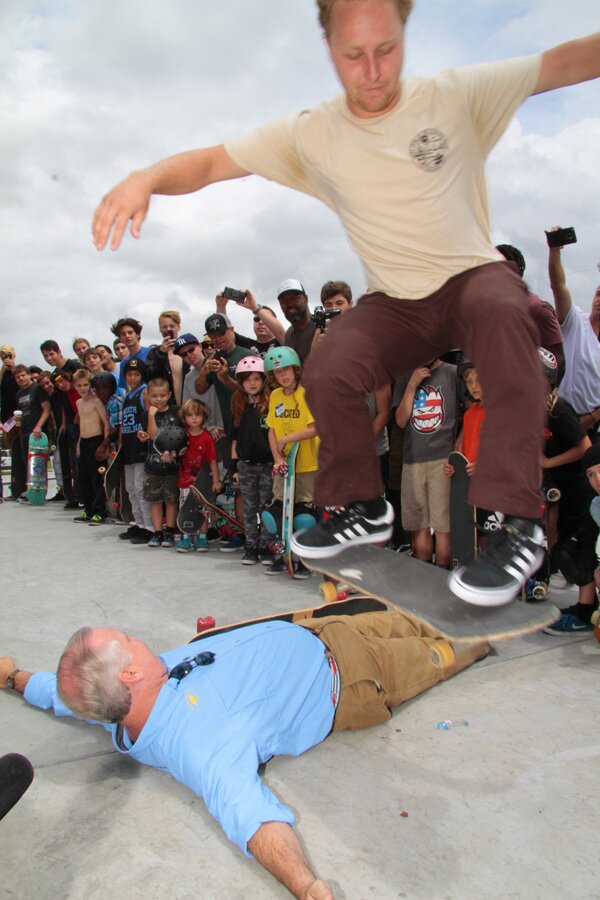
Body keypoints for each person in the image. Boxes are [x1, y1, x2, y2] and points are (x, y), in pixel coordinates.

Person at [91, 0, 600, 607]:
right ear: (329, 49)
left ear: (406, 35)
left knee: (503, 310)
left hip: (471, 277)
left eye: (386, 50)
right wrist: (145, 177)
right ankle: (362, 505)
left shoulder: (456, 95)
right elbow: (212, 161)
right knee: (331, 365)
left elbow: (565, 61)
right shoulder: (312, 133)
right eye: (354, 56)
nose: (373, 71)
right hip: (396, 304)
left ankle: (516, 526)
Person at [0, 609, 488, 898]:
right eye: (128, 641)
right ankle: (494, 629)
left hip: (328, 630)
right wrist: (307, 886)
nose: (137, 638)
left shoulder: (119, 698)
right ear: (127, 675)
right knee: (459, 644)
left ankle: (472, 604)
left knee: (422, 614)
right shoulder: (198, 744)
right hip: (358, 676)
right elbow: (250, 818)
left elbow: (56, 693)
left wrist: (10, 677)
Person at [394, 358, 459, 567]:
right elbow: (401, 420)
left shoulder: (452, 373)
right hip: (413, 459)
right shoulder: (405, 375)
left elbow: (471, 409)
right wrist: (412, 384)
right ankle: (424, 576)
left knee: (443, 526)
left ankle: (442, 575)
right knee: (418, 524)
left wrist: (458, 448)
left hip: (442, 458)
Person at [263, 347, 319, 578]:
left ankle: (304, 561)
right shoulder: (275, 396)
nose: (283, 375)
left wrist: (286, 439)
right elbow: (272, 429)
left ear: (295, 370)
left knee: (303, 516)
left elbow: (314, 428)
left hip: (307, 464)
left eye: (287, 370)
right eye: (278, 372)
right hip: (284, 465)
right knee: (277, 512)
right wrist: (277, 458)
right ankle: (281, 555)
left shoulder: (307, 393)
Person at [547, 228, 600, 438]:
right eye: (598, 293)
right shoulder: (574, 321)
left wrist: (594, 418)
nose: (599, 299)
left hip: (592, 425)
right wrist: (555, 251)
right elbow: (558, 286)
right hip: (559, 418)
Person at [230, 356, 274, 565]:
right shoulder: (238, 405)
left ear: (264, 379)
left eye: (256, 378)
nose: (252, 383)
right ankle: (250, 546)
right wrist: (233, 468)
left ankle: (266, 546)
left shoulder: (271, 402)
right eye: (247, 379)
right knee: (249, 507)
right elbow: (234, 439)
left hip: (268, 464)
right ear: (241, 382)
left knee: (266, 506)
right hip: (245, 465)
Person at [137, 377, 187, 548]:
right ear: (148, 396)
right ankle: (157, 532)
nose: (158, 399)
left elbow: (182, 437)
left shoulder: (177, 412)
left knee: (171, 499)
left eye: (162, 395)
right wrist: (151, 415)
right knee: (155, 500)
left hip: (172, 466)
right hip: (152, 466)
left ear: (169, 395)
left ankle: (170, 531)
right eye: (154, 396)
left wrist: (174, 454)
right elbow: (151, 435)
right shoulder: (147, 414)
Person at [176, 398, 221, 553]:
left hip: (203, 482)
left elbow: (213, 461)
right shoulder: (181, 436)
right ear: (184, 418)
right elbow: (174, 456)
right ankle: (186, 536)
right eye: (190, 415)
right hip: (185, 481)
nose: (194, 418)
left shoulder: (207, 438)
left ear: (204, 417)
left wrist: (216, 481)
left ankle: (202, 536)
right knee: (185, 508)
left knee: (202, 509)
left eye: (198, 415)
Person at [119, 358, 154, 544]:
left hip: (141, 447)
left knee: (141, 488)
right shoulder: (127, 395)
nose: (132, 378)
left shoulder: (144, 392)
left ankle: (149, 526)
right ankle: (138, 523)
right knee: (130, 489)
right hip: (128, 447)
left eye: (136, 374)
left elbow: (151, 414)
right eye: (129, 375)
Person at [72, 369, 110, 525]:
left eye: (85, 384)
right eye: (79, 385)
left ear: (91, 385)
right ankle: (88, 510)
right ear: (75, 386)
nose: (82, 388)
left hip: (97, 441)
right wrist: (79, 445)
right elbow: (82, 424)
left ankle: (99, 511)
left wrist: (105, 445)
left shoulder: (96, 401)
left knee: (96, 479)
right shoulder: (78, 403)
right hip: (85, 441)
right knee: (84, 478)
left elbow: (106, 424)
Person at [13, 364, 52, 503]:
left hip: (37, 432)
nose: (21, 378)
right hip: (24, 432)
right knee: (27, 464)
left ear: (29, 375)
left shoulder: (37, 388)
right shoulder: (18, 394)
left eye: (23, 375)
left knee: (39, 464)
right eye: (18, 377)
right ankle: (32, 492)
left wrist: (38, 426)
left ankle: (41, 493)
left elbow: (47, 409)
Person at [215, 289, 285, 355]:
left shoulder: (285, 343)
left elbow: (281, 333)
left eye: (264, 319)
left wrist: (255, 308)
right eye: (257, 319)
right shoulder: (246, 345)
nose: (260, 322)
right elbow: (225, 332)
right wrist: (221, 306)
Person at [0, 345, 22, 500]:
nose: (6, 358)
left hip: (20, 418)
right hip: (7, 420)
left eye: (8, 355)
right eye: (3, 356)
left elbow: (23, 384)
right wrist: (3, 368)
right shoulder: (2, 374)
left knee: (22, 451)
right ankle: (15, 487)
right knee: (14, 451)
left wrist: (13, 367)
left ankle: (23, 487)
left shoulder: (19, 371)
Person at [277, 280, 316, 364]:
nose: (289, 304)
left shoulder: (321, 326)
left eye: (294, 298)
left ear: (306, 299)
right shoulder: (288, 334)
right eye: (283, 301)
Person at [111, 318, 151, 390]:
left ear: (138, 335)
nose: (127, 336)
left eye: (130, 332)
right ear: (120, 339)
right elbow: (124, 388)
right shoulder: (124, 363)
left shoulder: (151, 353)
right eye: (123, 334)